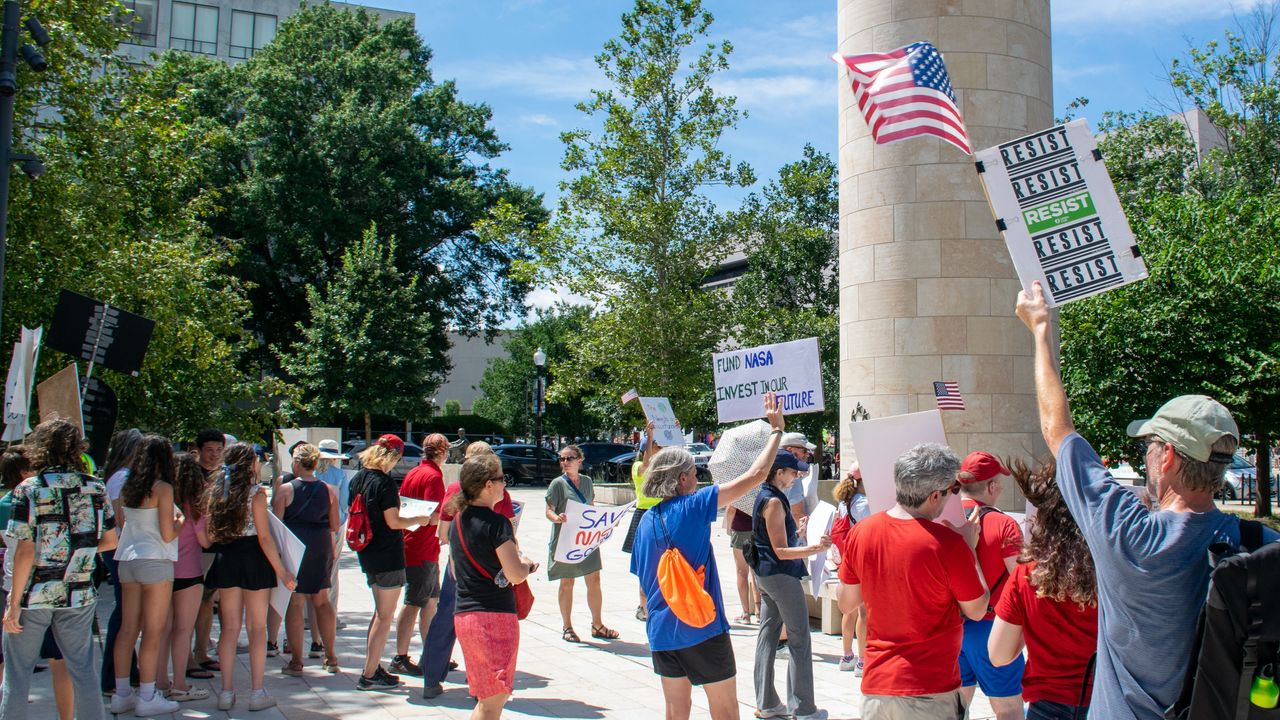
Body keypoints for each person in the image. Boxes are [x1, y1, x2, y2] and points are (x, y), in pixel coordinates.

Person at [1014, 280, 1279, 719]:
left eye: (1150, 446)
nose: (1148, 456)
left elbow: (1057, 430)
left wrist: (1041, 329)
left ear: (1169, 455)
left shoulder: (1127, 531)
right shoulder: (1258, 545)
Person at [630, 393, 786, 720]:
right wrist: (776, 431)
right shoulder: (695, 505)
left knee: (675, 711)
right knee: (726, 710)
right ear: (682, 478)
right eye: (694, 472)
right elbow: (755, 477)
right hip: (701, 627)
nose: (698, 477)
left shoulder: (645, 521)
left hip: (662, 630)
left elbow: (644, 588)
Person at [837, 442, 988, 720]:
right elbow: (977, 609)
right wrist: (970, 548)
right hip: (930, 690)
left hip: (877, 688)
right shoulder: (949, 545)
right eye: (952, 490)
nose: (952, 497)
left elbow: (846, 602)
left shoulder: (862, 532)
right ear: (934, 495)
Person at [1, 418, 118, 720]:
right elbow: (110, 540)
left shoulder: (29, 489)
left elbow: (25, 550)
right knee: (83, 671)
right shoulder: (95, 486)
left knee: (17, 676)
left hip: (33, 593)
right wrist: (76, 552)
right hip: (78, 593)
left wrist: (13, 604)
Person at [989, 458, 1099, 719]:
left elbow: (998, 655)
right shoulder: (1115, 569)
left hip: (1047, 704)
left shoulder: (1027, 573)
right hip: (1105, 701)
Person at [204, 442, 297, 712]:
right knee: (257, 629)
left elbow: (210, 536)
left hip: (227, 558)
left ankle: (225, 691)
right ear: (251, 464)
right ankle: (256, 692)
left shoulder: (217, 492)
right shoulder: (256, 494)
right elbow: (264, 537)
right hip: (253, 559)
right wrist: (283, 571)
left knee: (229, 629)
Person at [448, 453, 540, 719]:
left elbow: (456, 570)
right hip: (493, 617)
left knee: (487, 697)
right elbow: (515, 574)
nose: (505, 485)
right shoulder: (497, 524)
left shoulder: (458, 519)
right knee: (495, 697)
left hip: (465, 614)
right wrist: (526, 564)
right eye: (501, 480)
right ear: (488, 485)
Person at [750, 450, 831, 720]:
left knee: (768, 634)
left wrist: (798, 534)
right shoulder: (773, 501)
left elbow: (775, 542)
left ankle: (768, 703)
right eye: (793, 472)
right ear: (779, 472)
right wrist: (814, 548)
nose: (796, 477)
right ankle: (803, 708)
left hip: (767, 574)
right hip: (780, 576)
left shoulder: (765, 495)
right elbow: (781, 551)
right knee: (798, 638)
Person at [348, 434, 432, 691]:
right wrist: (419, 519)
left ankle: (372, 667)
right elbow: (393, 521)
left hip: (367, 552)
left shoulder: (358, 478)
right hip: (387, 555)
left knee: (378, 614)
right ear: (392, 456)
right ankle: (369, 673)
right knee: (384, 617)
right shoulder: (383, 483)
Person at [109, 435, 184, 717]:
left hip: (127, 559)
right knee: (153, 631)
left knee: (127, 628)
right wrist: (181, 522)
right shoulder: (162, 488)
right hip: (155, 560)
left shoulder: (127, 485)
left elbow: (119, 522)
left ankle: (122, 694)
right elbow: (167, 534)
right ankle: (148, 695)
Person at [0, 447, 74, 720]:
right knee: (59, 661)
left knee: (12, 665)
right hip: (44, 588)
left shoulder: (5, 505)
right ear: (24, 472)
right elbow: (26, 551)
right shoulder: (37, 500)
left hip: (14, 587)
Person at [955, 451, 1026, 720]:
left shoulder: (942, 518)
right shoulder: (1004, 524)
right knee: (1008, 708)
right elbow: (1021, 580)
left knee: (956, 707)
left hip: (952, 628)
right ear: (992, 487)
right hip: (993, 628)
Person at [273, 442, 340, 676]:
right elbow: (334, 524)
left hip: (296, 545)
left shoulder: (284, 489)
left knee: (296, 601)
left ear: (298, 462)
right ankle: (331, 658)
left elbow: (277, 525)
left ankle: (296, 661)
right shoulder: (330, 490)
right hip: (321, 544)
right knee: (322, 600)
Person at [545, 443, 619, 642]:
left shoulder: (586, 482)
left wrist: (607, 522)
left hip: (585, 539)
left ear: (580, 460)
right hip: (565, 539)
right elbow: (548, 510)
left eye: (569, 458)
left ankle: (597, 624)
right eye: (562, 459)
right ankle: (567, 627)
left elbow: (592, 509)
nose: (565, 462)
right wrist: (556, 517)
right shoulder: (557, 484)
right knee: (567, 581)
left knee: (594, 580)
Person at [390, 433, 448, 676]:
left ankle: (431, 653)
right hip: (422, 548)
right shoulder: (433, 476)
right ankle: (400, 656)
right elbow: (434, 515)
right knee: (414, 602)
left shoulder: (414, 472)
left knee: (429, 602)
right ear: (443, 452)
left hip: (418, 545)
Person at [158, 453, 211, 702]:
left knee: (162, 630)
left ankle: (159, 681)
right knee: (183, 630)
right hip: (189, 571)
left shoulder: (161, 499)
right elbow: (204, 540)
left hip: (162, 570)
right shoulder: (196, 505)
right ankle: (179, 683)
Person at [100, 427, 144, 694]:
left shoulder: (119, 475)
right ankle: (113, 677)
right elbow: (120, 518)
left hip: (120, 549)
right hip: (121, 550)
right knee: (126, 615)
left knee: (127, 614)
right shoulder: (123, 477)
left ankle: (129, 670)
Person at [191, 427, 226, 674]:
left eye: (218, 450)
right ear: (199, 451)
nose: (214, 455)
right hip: (194, 547)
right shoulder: (191, 476)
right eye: (209, 450)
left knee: (207, 601)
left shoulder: (225, 476)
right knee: (193, 602)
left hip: (219, 545)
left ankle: (201, 651)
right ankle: (190, 659)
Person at [829, 463, 870, 674]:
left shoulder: (845, 502)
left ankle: (847, 656)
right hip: (862, 560)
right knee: (864, 611)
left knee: (849, 610)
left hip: (846, 559)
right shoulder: (864, 504)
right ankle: (863, 660)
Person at [623, 422, 662, 621]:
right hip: (644, 514)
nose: (660, 450)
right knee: (646, 565)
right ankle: (643, 606)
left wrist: (673, 431)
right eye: (656, 446)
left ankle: (655, 604)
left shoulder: (661, 467)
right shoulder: (638, 466)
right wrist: (650, 434)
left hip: (661, 513)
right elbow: (646, 466)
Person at [723, 504, 760, 625]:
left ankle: (746, 614)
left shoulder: (739, 486)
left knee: (741, 572)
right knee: (756, 571)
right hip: (758, 529)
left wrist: (728, 529)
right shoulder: (759, 485)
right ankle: (759, 611)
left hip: (740, 530)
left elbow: (731, 509)